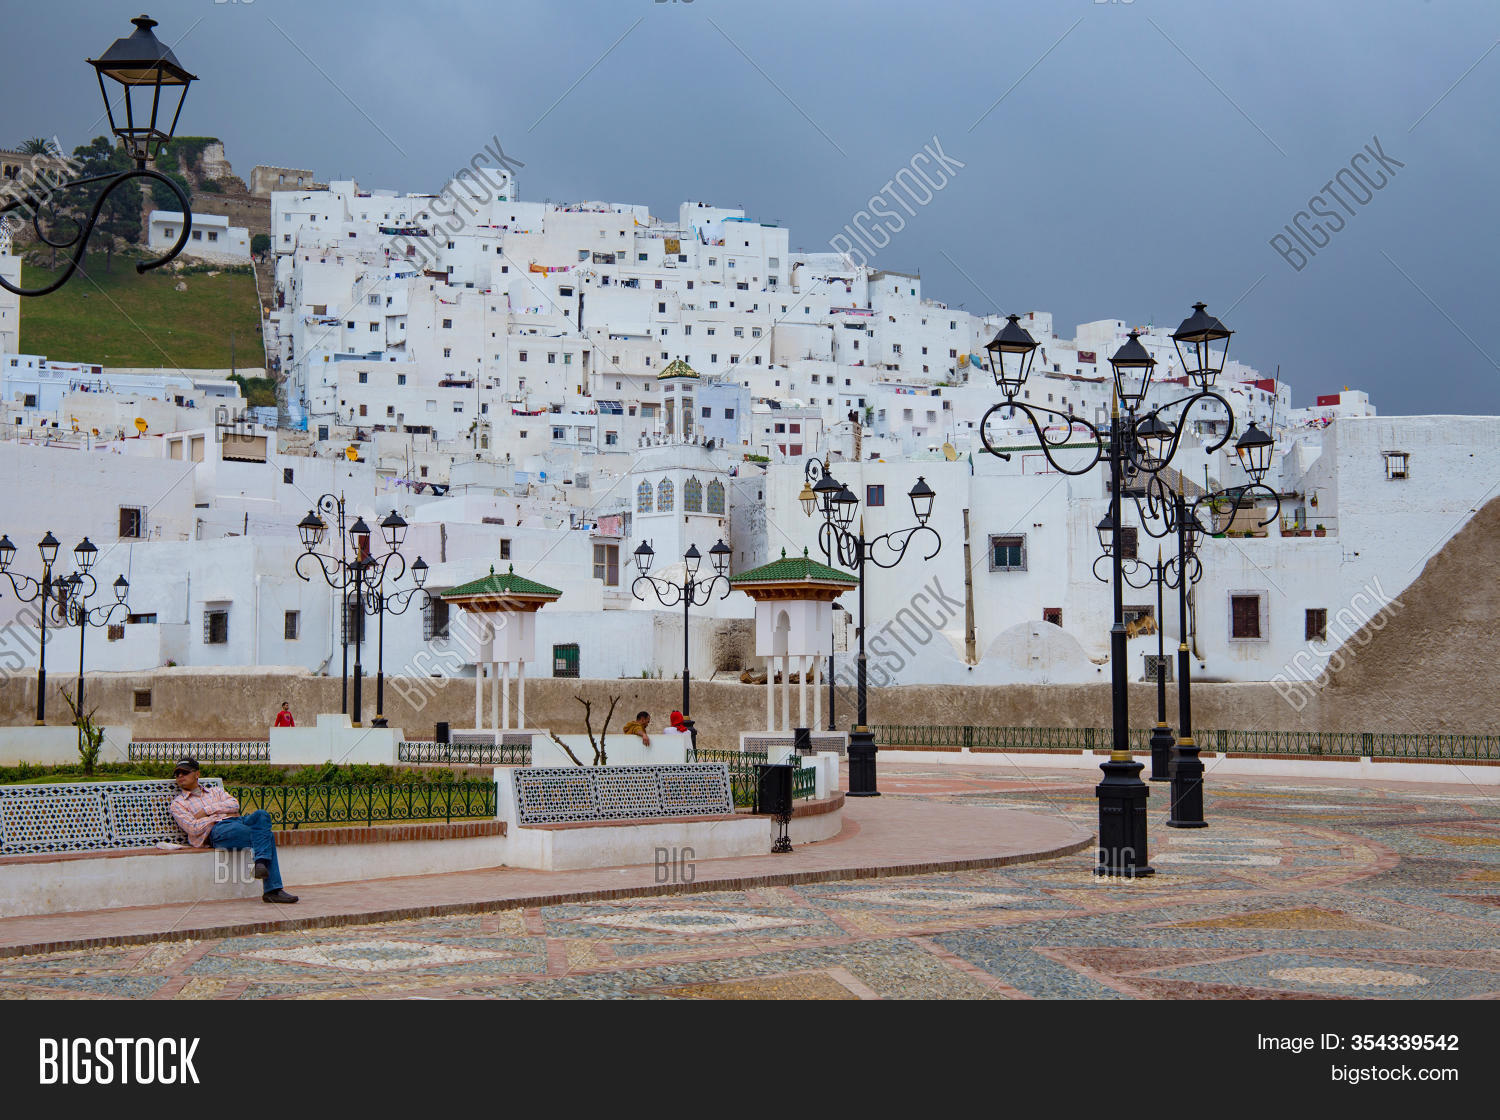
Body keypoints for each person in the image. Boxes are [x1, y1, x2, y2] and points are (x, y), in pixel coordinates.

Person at [168, 757, 298, 904]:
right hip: (218, 831)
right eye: (177, 774)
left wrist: (207, 811)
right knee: (266, 835)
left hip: (238, 821)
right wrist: (219, 815)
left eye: (184, 772)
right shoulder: (179, 804)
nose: (180, 776)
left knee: (262, 815)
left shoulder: (215, 791)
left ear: (197, 774)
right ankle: (271, 887)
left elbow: (234, 804)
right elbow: (193, 828)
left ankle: (262, 865)